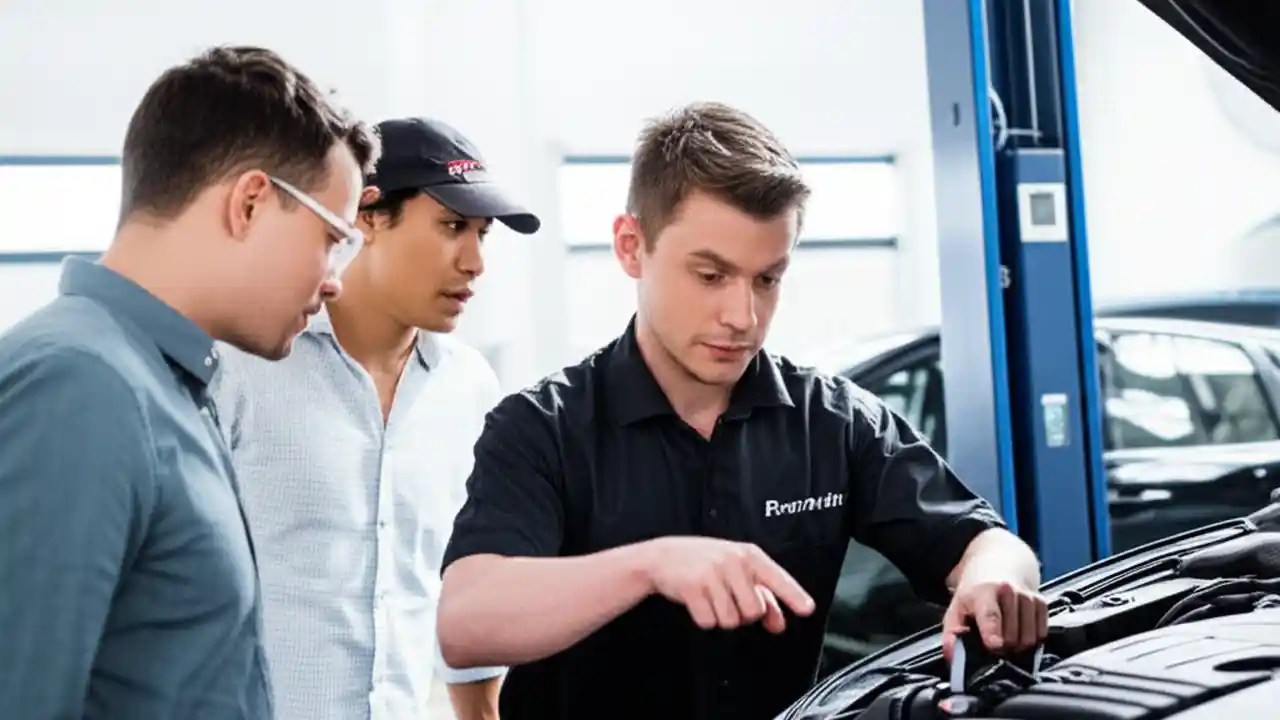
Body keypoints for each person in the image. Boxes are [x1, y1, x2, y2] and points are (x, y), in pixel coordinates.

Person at [436, 101, 1049, 719]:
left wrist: (993, 577)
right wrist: (650, 566)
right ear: (631, 246)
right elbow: (465, 624)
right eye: (711, 276)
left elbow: (988, 544)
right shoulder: (541, 428)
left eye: (767, 279)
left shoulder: (834, 424)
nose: (742, 316)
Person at [0, 46, 378, 719]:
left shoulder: (164, 386)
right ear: (251, 202)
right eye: (332, 239)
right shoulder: (81, 387)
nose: (334, 280)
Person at [209, 117, 540, 720]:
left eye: (483, 234)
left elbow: (457, 584)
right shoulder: (243, 365)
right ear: (367, 216)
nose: (475, 262)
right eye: (452, 226)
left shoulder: (470, 388)